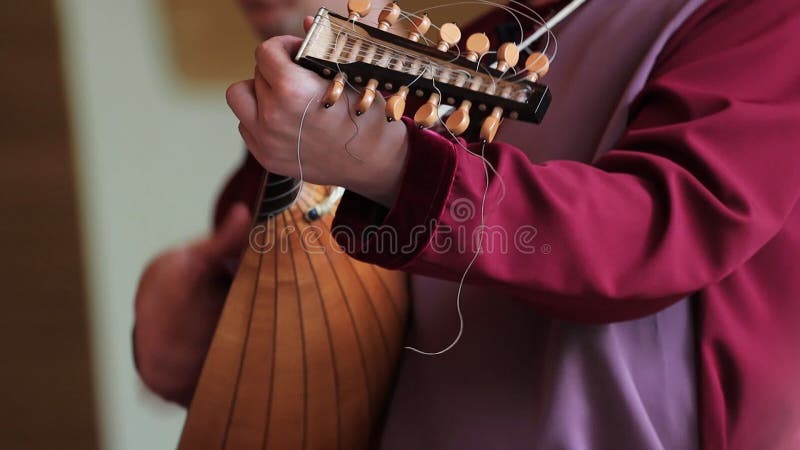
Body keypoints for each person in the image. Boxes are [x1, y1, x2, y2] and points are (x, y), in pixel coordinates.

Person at [137, 0, 800, 448]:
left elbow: (653, 235)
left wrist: (392, 165)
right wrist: (196, 320)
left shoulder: (767, 19)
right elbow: (281, 261)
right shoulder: (517, 28)